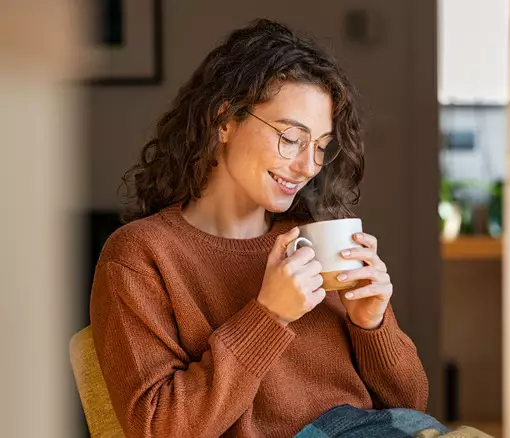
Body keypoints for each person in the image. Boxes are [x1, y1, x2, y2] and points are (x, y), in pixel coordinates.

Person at [90, 19, 435, 437]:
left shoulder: (313, 240)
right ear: (225, 121)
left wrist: (373, 325)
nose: (308, 166)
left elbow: (412, 406)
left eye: (321, 147)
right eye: (291, 138)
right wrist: (269, 315)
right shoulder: (140, 256)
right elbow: (158, 427)